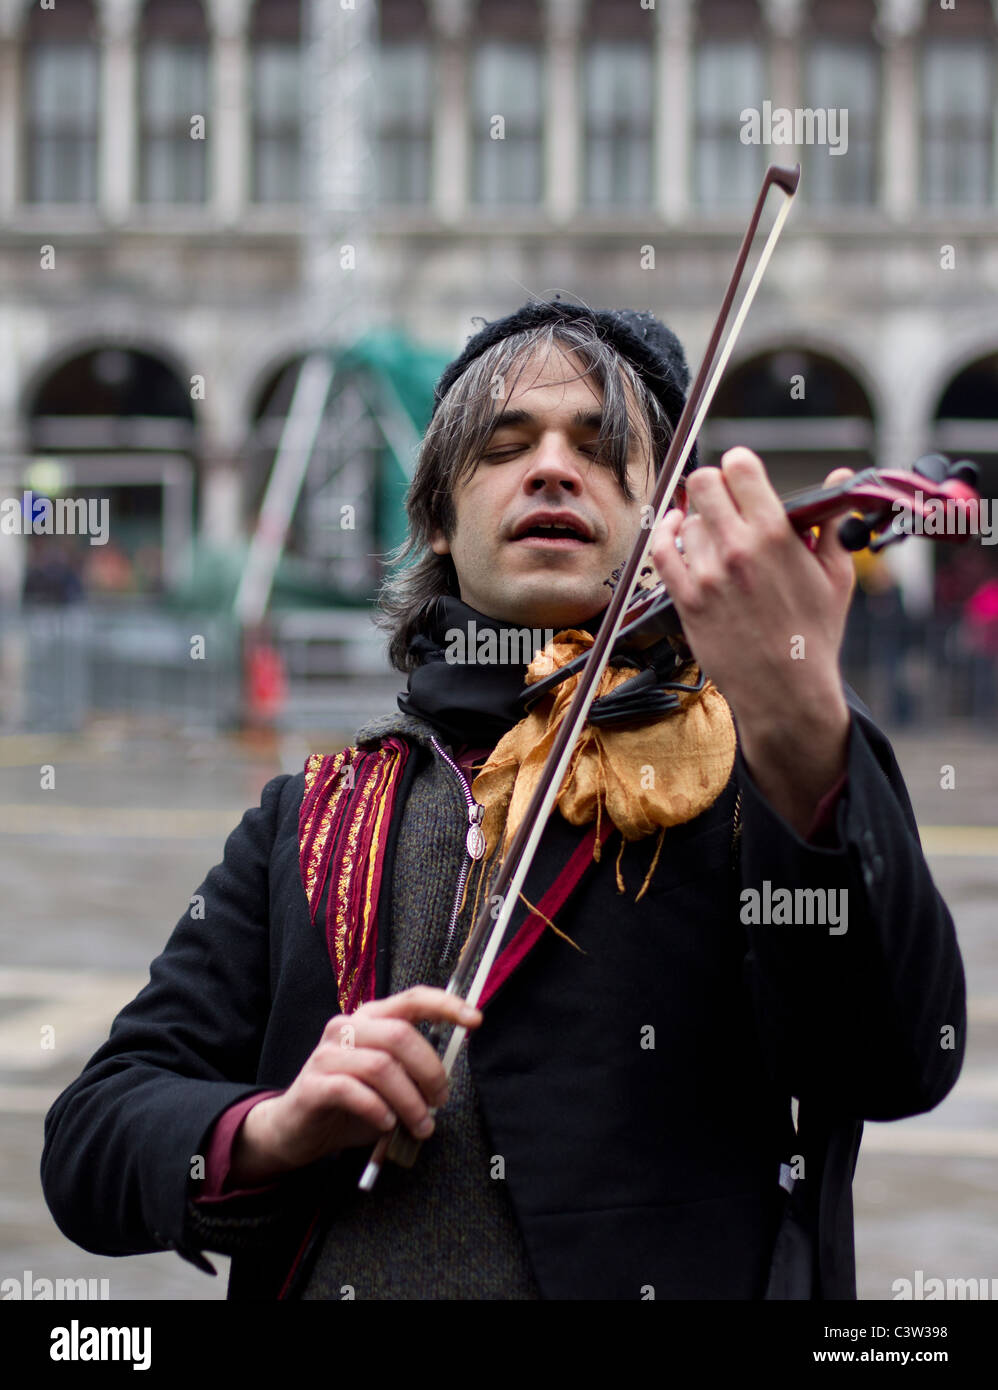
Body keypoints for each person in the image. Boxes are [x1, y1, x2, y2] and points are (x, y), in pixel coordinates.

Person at [41, 300, 966, 1300]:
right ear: (436, 518)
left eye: (601, 445)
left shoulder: (756, 769)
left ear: (665, 521)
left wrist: (796, 726)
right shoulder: (307, 815)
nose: (553, 467)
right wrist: (274, 1125)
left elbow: (895, 1060)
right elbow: (92, 1139)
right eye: (505, 444)